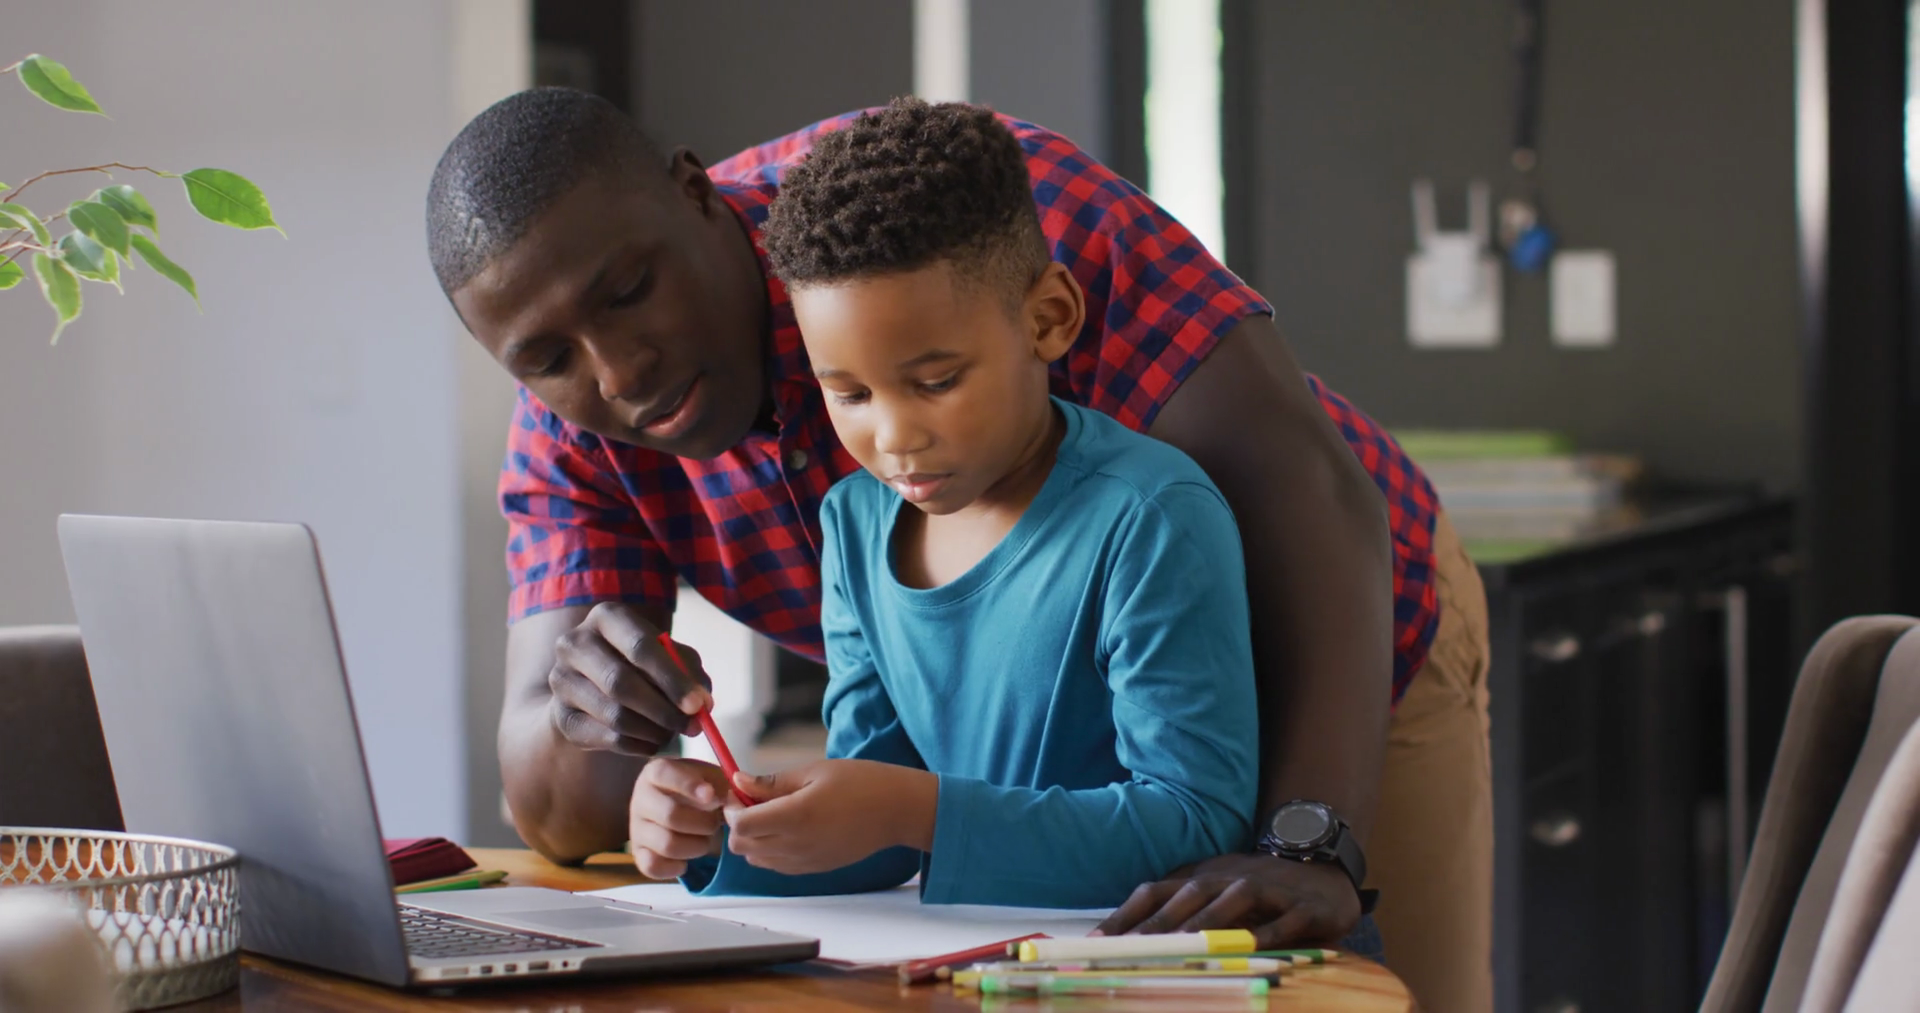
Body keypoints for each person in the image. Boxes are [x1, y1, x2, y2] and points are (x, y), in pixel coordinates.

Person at [428, 88, 1491, 1008]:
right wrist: (631, 749)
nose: (618, 371)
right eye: (548, 356)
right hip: (1037, 780)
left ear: (695, 193)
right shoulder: (588, 434)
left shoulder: (963, 223)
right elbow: (559, 806)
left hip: (1333, 615)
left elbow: (1297, 490)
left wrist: (1308, 840)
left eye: (628, 290)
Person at [624, 99, 1259, 909]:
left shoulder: (1149, 519)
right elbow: (876, 835)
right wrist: (720, 831)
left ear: (1049, 318)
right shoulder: (853, 525)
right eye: (847, 392)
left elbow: (1197, 823)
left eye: (936, 382)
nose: (895, 437)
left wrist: (913, 808)